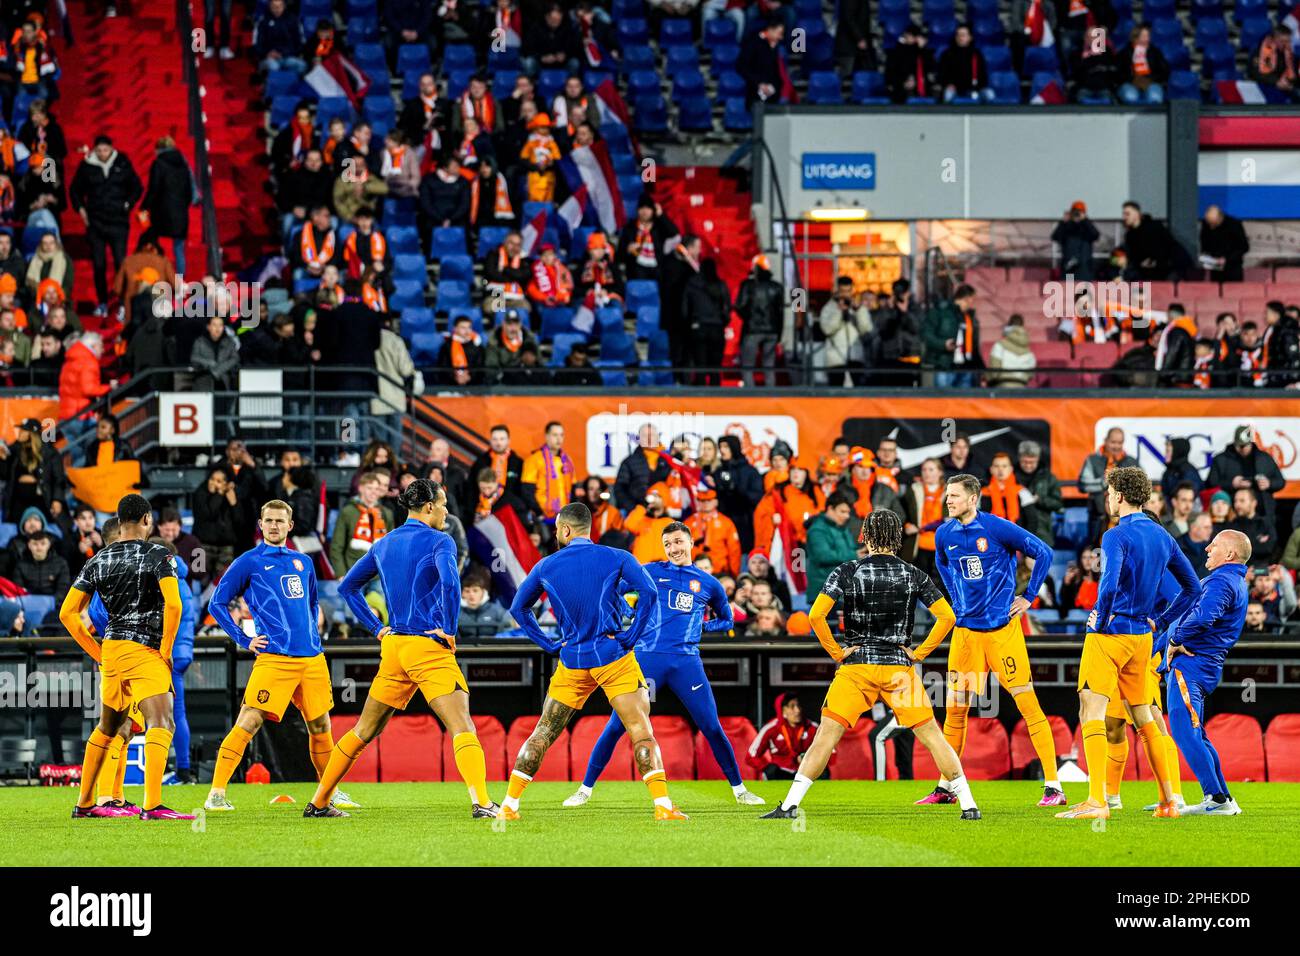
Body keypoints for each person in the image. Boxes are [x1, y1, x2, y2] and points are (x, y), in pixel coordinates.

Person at [762, 510, 981, 820]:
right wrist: (919, 653)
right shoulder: (913, 573)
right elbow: (948, 617)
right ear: (897, 538)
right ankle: (969, 805)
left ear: (864, 535)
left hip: (857, 667)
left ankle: (789, 806)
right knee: (932, 736)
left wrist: (837, 652)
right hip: (898, 669)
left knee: (826, 735)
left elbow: (815, 616)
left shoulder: (847, 570)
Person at [305, 480, 498, 818]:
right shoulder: (441, 540)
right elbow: (452, 584)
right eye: (442, 505)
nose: (446, 512)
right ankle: (483, 804)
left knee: (363, 730)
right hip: (428, 645)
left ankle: (319, 802)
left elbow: (348, 587)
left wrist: (377, 627)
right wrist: (450, 631)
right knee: (462, 726)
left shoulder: (385, 543)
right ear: (428, 508)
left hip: (394, 648)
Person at [504, 502, 685, 821]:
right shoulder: (617, 556)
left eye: (558, 528)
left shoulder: (546, 565)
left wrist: (547, 643)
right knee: (640, 732)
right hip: (613, 657)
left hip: (572, 660)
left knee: (542, 732)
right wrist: (631, 636)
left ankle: (509, 806)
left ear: (565, 529)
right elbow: (650, 593)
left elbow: (519, 609)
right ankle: (662, 807)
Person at [565, 521, 763, 807]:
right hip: (645, 660)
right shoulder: (651, 571)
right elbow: (615, 590)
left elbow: (728, 620)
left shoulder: (708, 583)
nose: (673, 549)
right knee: (617, 725)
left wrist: (702, 627)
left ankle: (740, 789)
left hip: (686, 663)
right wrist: (627, 614)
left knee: (710, 726)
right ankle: (585, 789)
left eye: (678, 542)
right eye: (668, 544)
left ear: (691, 542)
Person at [1055, 467, 1200, 820]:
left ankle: (1097, 802)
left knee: (1090, 709)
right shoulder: (1162, 536)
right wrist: (1161, 622)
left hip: (1112, 633)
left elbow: (1108, 583)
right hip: (1142, 638)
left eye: (1109, 492)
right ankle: (1168, 801)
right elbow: (1193, 587)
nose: (1107, 497)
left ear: (1119, 495)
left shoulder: (1115, 535)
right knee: (1144, 717)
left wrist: (1099, 619)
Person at [919, 473, 1063, 807]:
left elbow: (1043, 552)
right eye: (947, 495)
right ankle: (947, 787)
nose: (948, 500)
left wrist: (1028, 596)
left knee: (1028, 706)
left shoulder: (998, 528)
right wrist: (954, 596)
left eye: (954, 495)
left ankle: (1054, 786)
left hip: (1002, 633)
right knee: (955, 711)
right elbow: (941, 562)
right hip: (966, 635)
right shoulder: (944, 533)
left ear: (972, 499)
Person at [205, 500, 356, 812]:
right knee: (249, 720)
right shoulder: (248, 562)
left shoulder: (304, 562)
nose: (274, 526)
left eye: (280, 521)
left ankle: (330, 791)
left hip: (312, 659)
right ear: (260, 524)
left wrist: (313, 634)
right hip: (275, 658)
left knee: (321, 727)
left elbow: (313, 604)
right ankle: (216, 793)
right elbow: (216, 604)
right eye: (268, 520)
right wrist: (243, 639)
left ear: (290, 526)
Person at [59, 494, 191, 820]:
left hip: (113, 650)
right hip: (144, 648)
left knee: (108, 726)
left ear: (119, 523)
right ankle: (153, 805)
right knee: (163, 721)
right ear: (147, 520)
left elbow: (67, 614)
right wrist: (166, 649)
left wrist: (98, 652)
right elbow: (174, 605)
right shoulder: (159, 554)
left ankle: (86, 803)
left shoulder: (98, 560)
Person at [1163, 530, 1252, 815]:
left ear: (1229, 554)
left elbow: (1203, 616)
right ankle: (1222, 797)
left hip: (1192, 665)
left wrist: (1176, 640)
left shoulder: (1223, 581)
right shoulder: (1232, 581)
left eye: (1214, 545)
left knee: (1184, 730)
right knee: (1196, 732)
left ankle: (1215, 798)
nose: (1207, 549)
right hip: (1202, 664)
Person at [69, 136, 143, 316]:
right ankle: (102, 302)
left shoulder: (123, 163)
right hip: (95, 222)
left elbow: (137, 187)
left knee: (120, 262)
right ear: (95, 150)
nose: (103, 154)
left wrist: (127, 204)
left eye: (106, 150)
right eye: (99, 150)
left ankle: (122, 302)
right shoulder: (87, 166)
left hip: (118, 222)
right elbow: (74, 190)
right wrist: (81, 210)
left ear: (111, 149)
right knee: (99, 264)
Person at [1207, 424, 1285, 521]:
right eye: (1239, 446)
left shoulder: (1264, 458)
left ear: (1251, 443)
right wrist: (1231, 483)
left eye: (1245, 445)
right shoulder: (1221, 459)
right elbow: (1211, 483)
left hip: (1262, 514)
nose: (1242, 448)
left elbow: (1281, 482)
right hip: (1232, 515)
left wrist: (1269, 483)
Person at [1078, 427, 1139, 545]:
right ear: (1105, 441)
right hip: (1098, 517)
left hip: (1126, 518)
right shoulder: (1093, 460)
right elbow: (1083, 484)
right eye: (1113, 442)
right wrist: (1104, 483)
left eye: (1120, 443)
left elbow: (1140, 486)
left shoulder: (1131, 462)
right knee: (1096, 552)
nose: (1116, 446)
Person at [329, 471, 397, 577]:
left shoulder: (386, 513)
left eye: (376, 489)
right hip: (353, 572)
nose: (373, 492)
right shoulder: (348, 511)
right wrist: (341, 574)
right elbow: (336, 546)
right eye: (369, 488)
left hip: (379, 576)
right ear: (361, 488)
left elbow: (390, 547)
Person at [733, 253, 783, 388]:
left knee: (748, 366)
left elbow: (739, 306)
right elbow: (781, 312)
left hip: (752, 330)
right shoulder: (777, 286)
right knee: (769, 366)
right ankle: (771, 397)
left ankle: (750, 396)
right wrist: (779, 333)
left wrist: (748, 317)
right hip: (772, 331)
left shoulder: (748, 285)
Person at [747, 693, 821, 782]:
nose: (797, 710)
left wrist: (807, 758)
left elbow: (829, 753)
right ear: (783, 710)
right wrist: (766, 767)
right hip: (779, 773)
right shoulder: (771, 729)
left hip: (805, 772)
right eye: (792, 706)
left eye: (798, 706)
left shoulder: (812, 727)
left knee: (823, 771)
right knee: (771, 771)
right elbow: (751, 756)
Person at [682, 257, 730, 386]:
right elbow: (727, 308)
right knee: (715, 366)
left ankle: (700, 396)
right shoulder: (721, 285)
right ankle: (716, 398)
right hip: (717, 328)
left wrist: (690, 324)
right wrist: (721, 322)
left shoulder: (691, 284)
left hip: (698, 327)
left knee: (700, 364)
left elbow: (685, 309)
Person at [818, 275, 873, 387]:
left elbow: (866, 329)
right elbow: (827, 329)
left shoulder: (858, 308)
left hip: (855, 357)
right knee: (836, 395)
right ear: (837, 290)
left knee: (858, 395)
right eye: (842, 291)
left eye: (848, 291)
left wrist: (859, 311)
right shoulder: (829, 308)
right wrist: (839, 312)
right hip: (836, 359)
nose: (845, 295)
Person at [924, 283, 981, 389]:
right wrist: (943, 344)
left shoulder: (970, 318)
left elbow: (974, 345)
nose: (972, 304)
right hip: (945, 365)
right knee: (944, 402)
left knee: (964, 403)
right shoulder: (940, 311)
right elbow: (926, 334)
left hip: (965, 368)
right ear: (967, 298)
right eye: (972, 300)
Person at [1119, 200, 1179, 282]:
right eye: (1124, 214)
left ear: (1137, 214)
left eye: (1127, 214)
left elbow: (1168, 247)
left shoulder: (1154, 227)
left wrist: (1154, 260)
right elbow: (1132, 256)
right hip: (1143, 274)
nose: (1124, 217)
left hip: (1164, 272)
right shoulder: (1129, 235)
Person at [938, 24, 992, 102]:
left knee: (989, 94)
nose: (960, 38)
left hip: (975, 89)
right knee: (947, 95)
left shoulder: (977, 54)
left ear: (970, 37)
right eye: (958, 35)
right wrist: (948, 84)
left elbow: (983, 75)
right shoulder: (947, 54)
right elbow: (942, 74)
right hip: (954, 89)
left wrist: (978, 87)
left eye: (963, 35)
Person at [1116, 25, 1168, 105]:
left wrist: (1150, 79)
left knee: (1155, 96)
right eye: (1143, 36)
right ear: (1135, 38)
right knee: (1130, 96)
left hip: (1151, 82)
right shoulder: (1124, 53)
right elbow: (1117, 74)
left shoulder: (1155, 52)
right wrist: (1133, 79)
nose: (1147, 39)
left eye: (1148, 36)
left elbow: (1164, 71)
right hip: (1130, 83)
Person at [885, 23, 936, 103]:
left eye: (910, 36)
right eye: (906, 35)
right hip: (900, 88)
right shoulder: (897, 52)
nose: (907, 37)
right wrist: (904, 82)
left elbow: (930, 68)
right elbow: (891, 73)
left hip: (922, 88)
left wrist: (922, 49)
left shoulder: (924, 52)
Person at [1199, 205, 1249, 283]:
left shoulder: (1234, 225)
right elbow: (1205, 244)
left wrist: (1226, 259)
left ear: (1220, 218)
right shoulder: (1206, 226)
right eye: (1210, 224)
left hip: (1233, 268)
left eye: (1214, 224)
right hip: (1215, 268)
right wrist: (1207, 258)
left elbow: (1244, 247)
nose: (1212, 227)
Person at [986, 314, 1036, 387]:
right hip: (1021, 388)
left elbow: (994, 371)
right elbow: (1031, 374)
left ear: (1008, 327)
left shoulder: (999, 346)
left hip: (1002, 387)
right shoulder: (1029, 352)